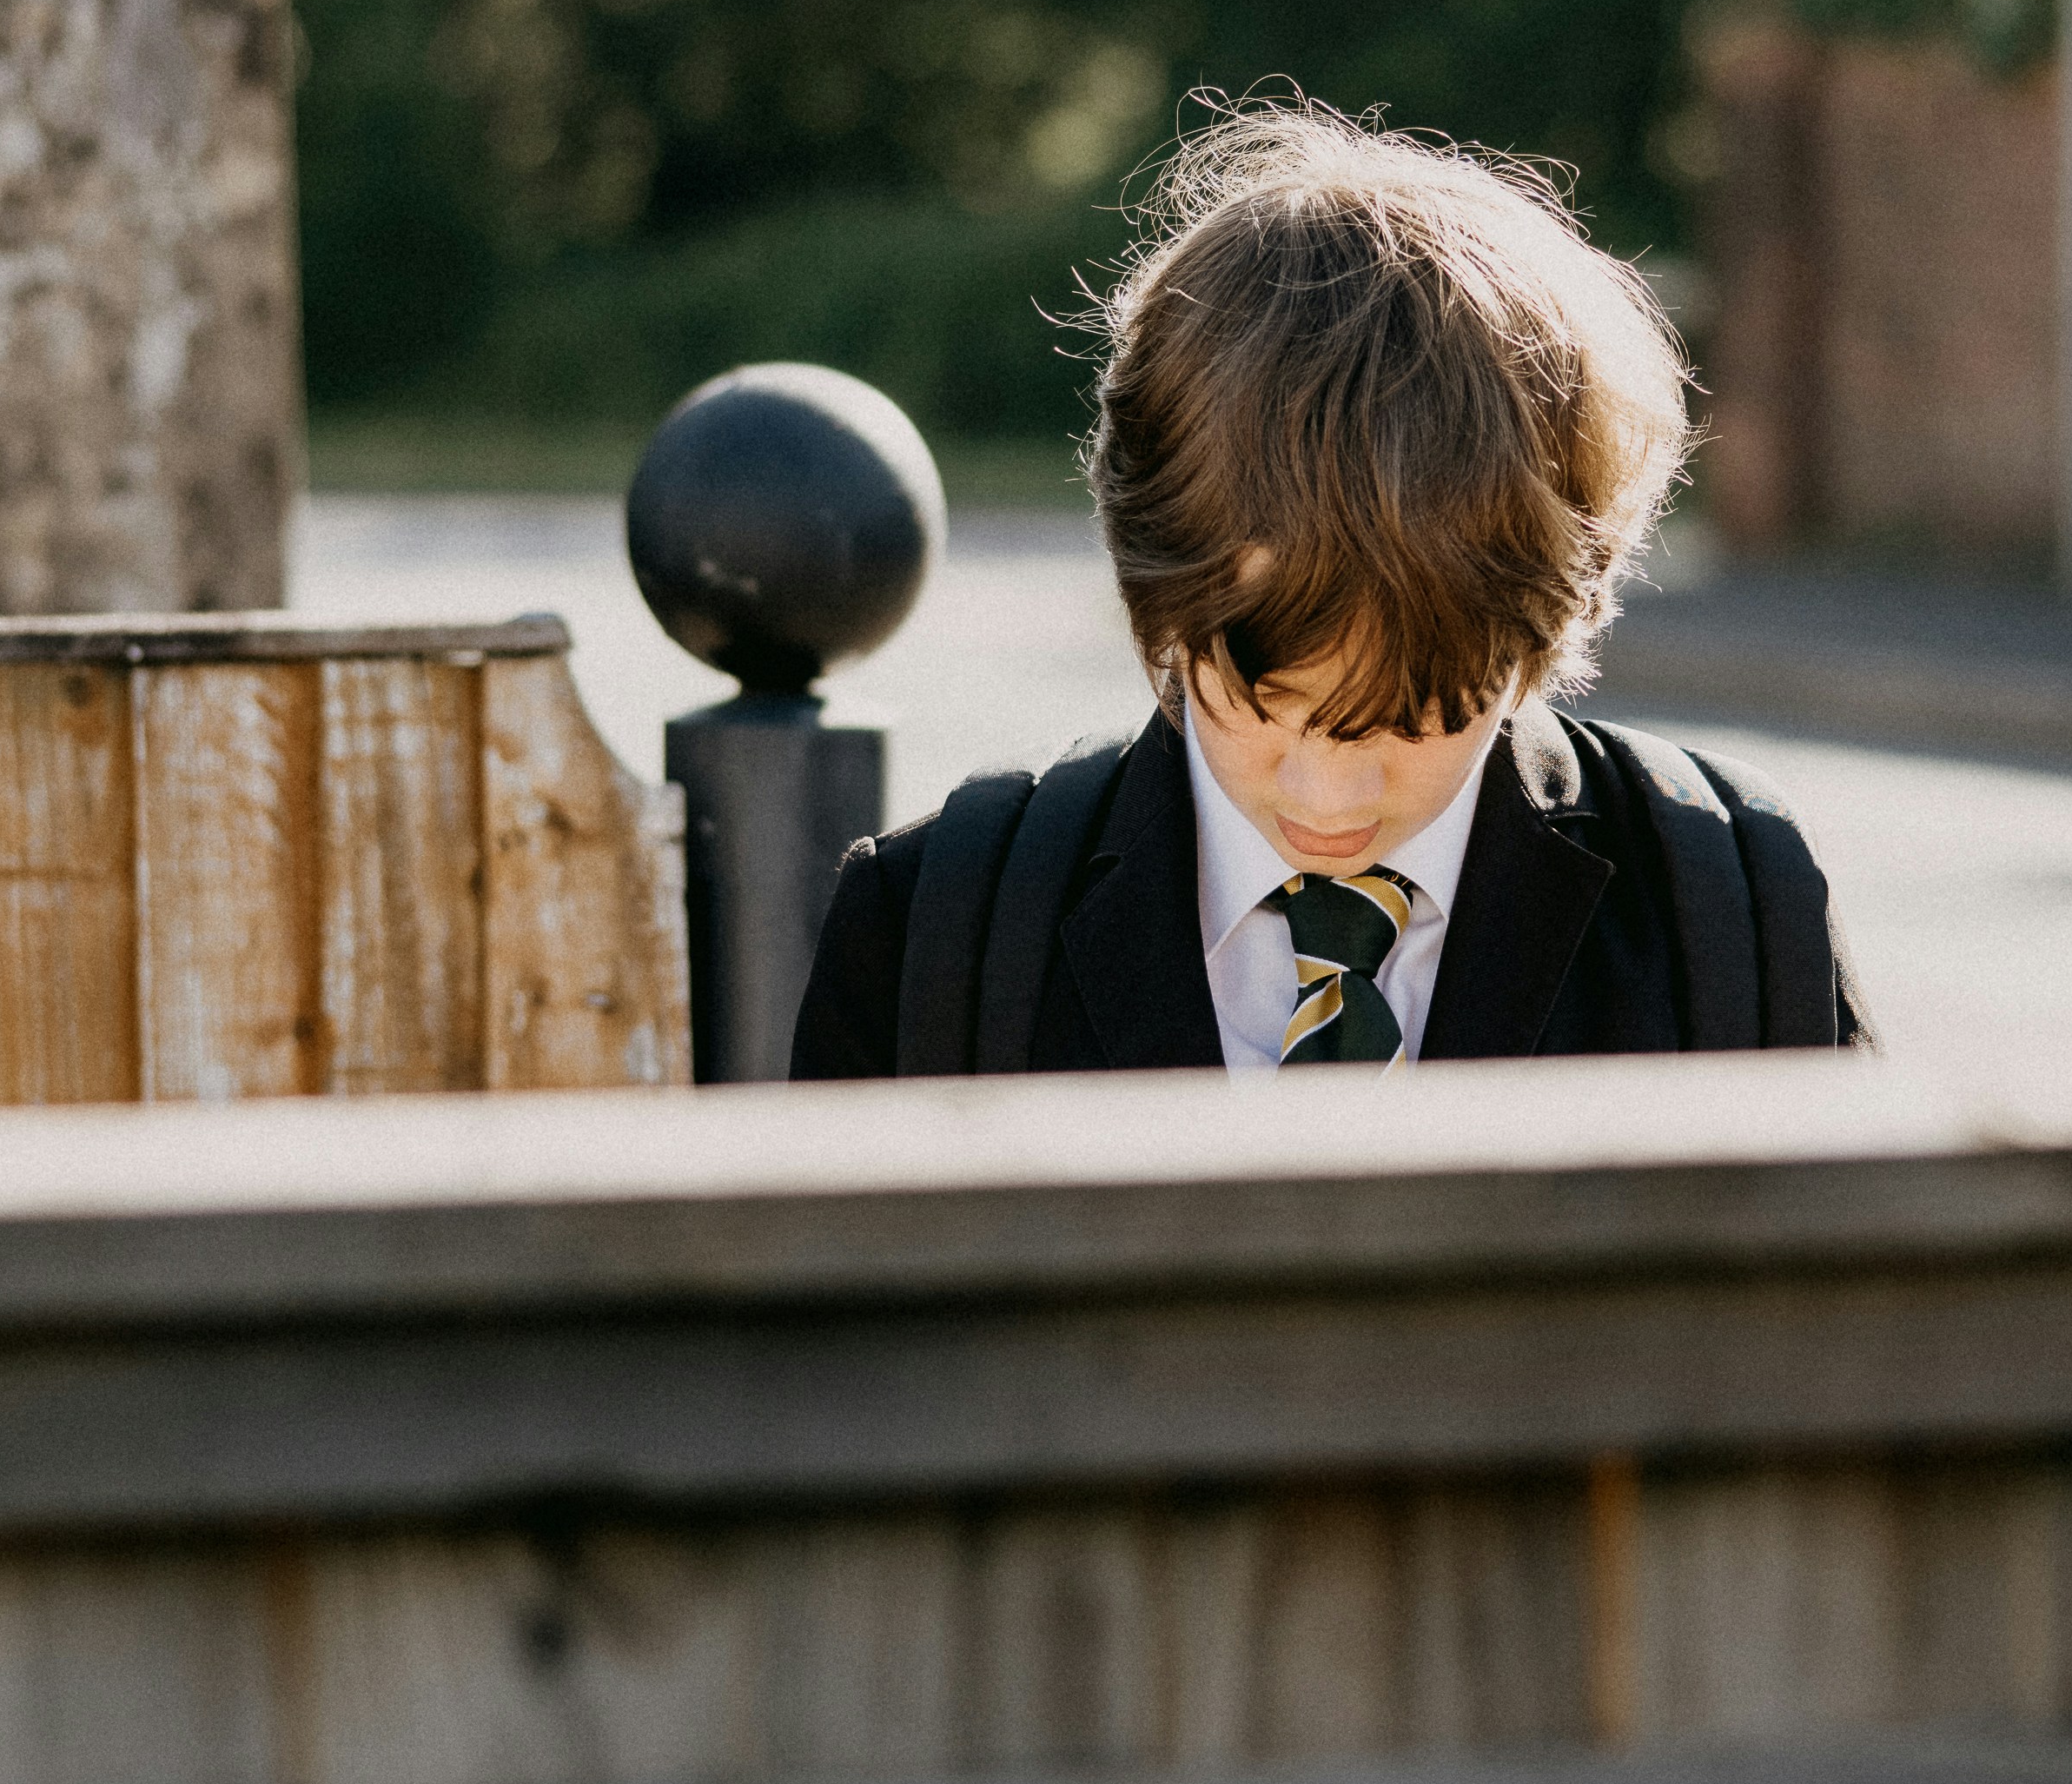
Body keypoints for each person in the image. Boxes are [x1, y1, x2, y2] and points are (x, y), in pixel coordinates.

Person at [791, 103, 1868, 1078]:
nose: (1326, 801)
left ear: (1556, 612)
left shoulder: (1724, 904)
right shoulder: (943, 928)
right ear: (1156, 587)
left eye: (1414, 718)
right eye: (1262, 703)